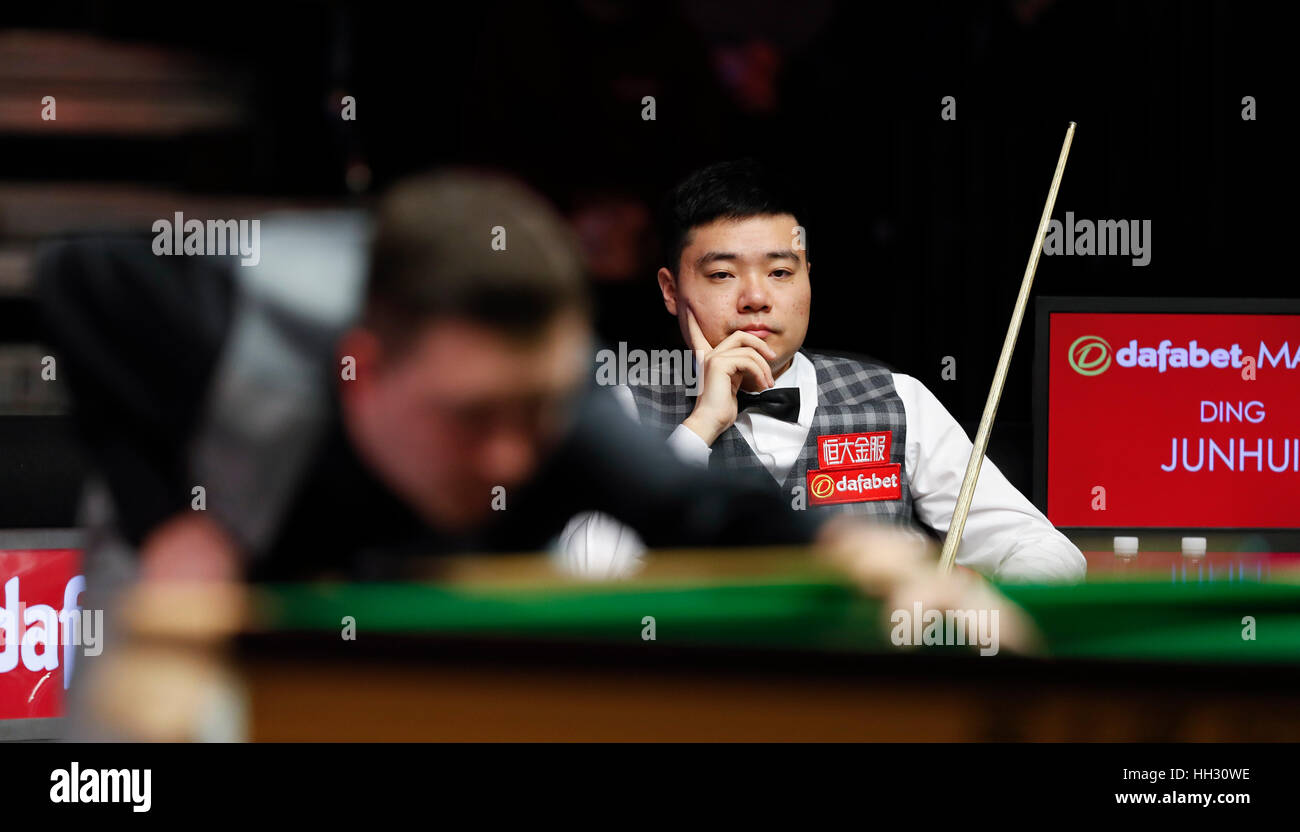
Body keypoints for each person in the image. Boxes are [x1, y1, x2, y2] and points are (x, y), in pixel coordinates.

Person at [559, 159, 1085, 583]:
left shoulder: (897, 399)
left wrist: (963, 599)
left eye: (781, 271)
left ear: (808, 274)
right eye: (722, 274)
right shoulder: (626, 409)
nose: (757, 298)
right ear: (672, 291)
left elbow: (1048, 553)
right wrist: (701, 427)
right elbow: (585, 574)